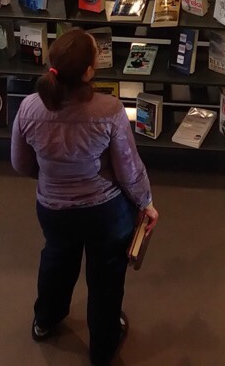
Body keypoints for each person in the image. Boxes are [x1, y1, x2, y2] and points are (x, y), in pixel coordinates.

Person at [11, 28, 159, 365]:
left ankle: (45, 320)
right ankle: (103, 346)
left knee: (56, 259)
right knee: (106, 277)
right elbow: (128, 169)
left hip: (52, 208)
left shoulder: (29, 107)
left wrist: (52, 177)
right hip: (105, 213)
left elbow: (20, 163)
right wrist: (146, 204)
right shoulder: (109, 110)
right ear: (89, 72)